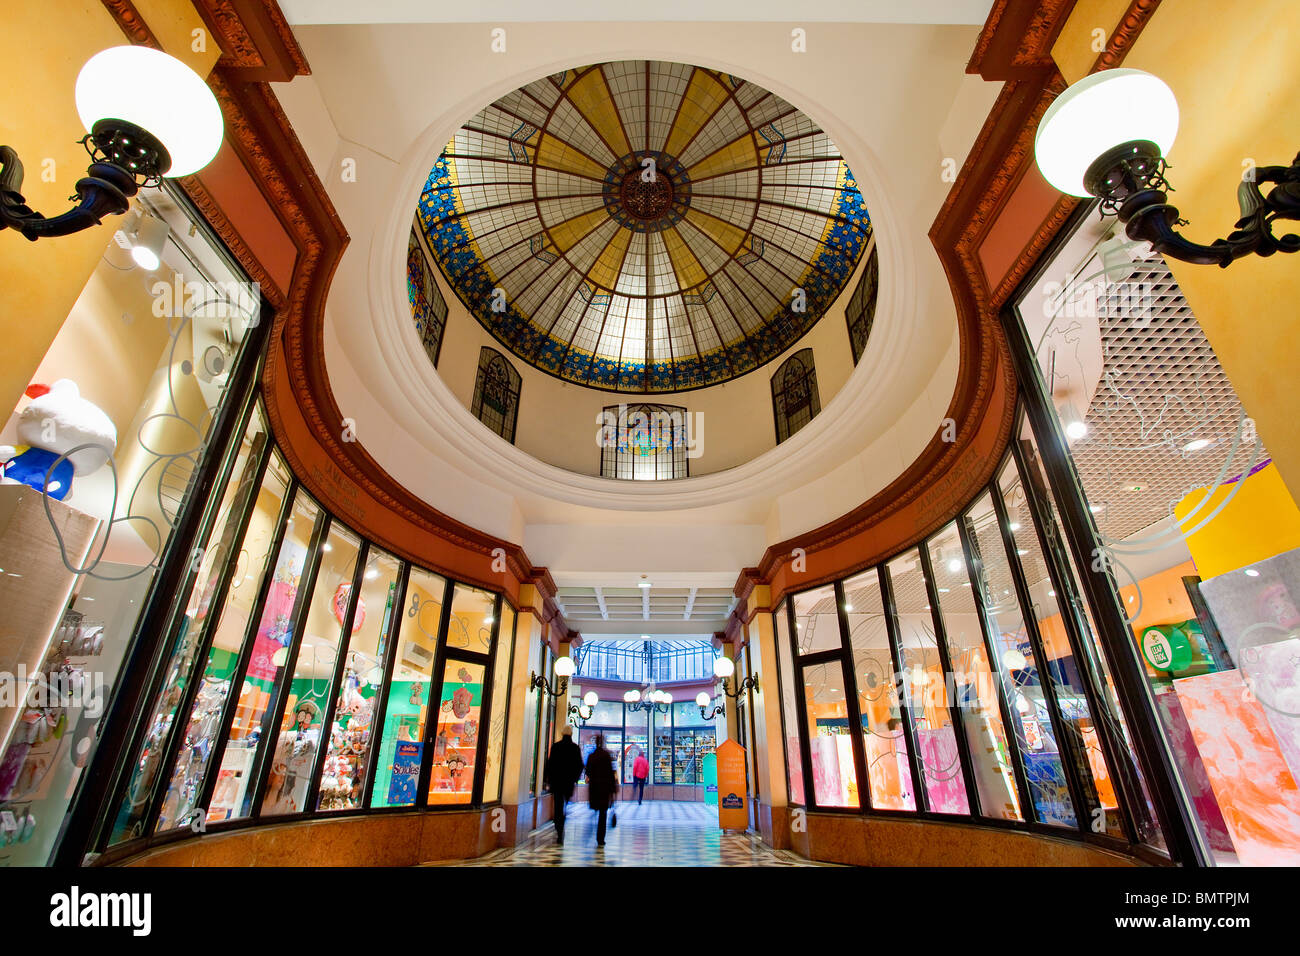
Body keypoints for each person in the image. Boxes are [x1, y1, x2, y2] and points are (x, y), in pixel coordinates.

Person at [543, 725, 583, 846]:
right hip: (568, 782)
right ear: (571, 735)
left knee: (558, 805)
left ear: (562, 734)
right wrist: (575, 779)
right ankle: (561, 823)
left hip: (557, 782)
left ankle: (559, 827)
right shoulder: (575, 748)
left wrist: (547, 780)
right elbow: (579, 765)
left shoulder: (556, 746)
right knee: (564, 804)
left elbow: (549, 765)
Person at [584, 734, 618, 847]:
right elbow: (611, 774)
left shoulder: (591, 756)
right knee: (603, 814)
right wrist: (613, 790)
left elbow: (587, 772)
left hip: (594, 789)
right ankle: (600, 838)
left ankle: (592, 833)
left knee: (595, 811)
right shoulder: (607, 756)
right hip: (604, 789)